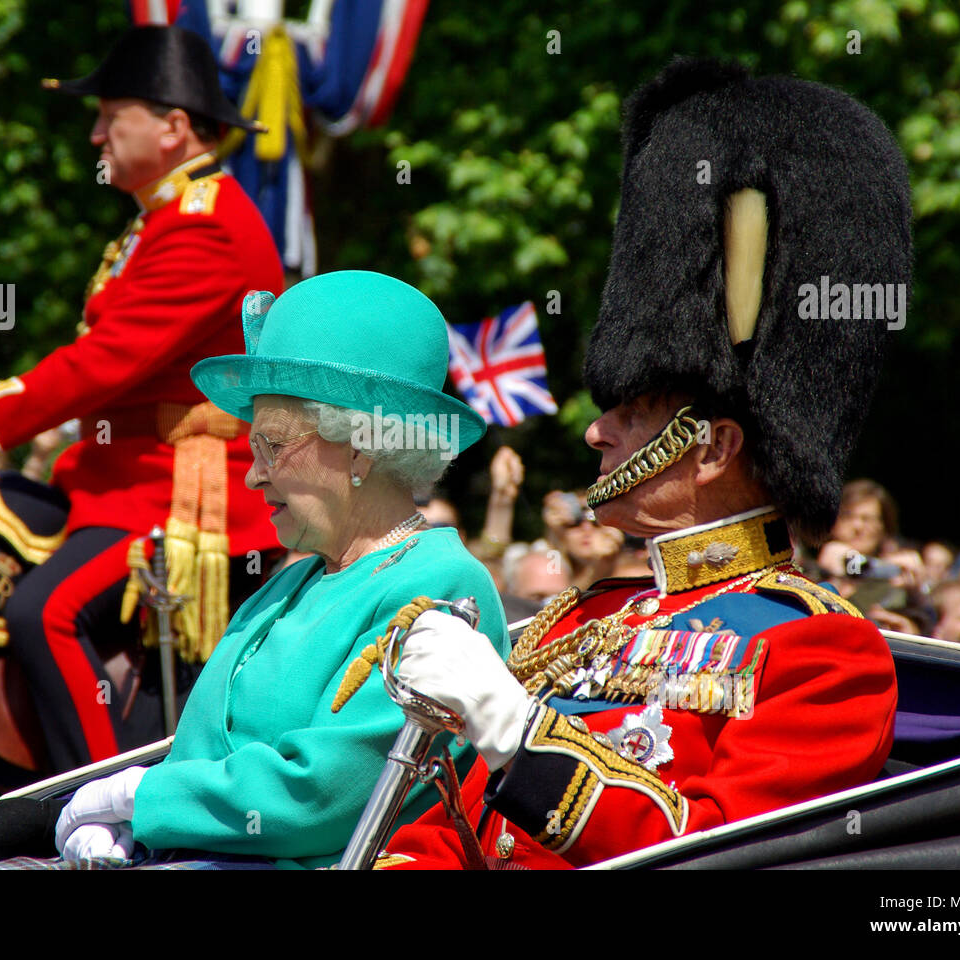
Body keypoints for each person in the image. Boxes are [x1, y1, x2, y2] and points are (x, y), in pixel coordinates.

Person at [376, 60, 905, 868]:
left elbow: (710, 852)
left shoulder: (821, 654)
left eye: (632, 414)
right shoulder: (577, 621)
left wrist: (520, 737)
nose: (597, 434)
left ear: (715, 447)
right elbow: (450, 829)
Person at [0, 271, 508, 869]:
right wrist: (132, 831)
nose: (253, 475)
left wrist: (135, 799)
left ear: (362, 446)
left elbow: (319, 796)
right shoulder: (287, 585)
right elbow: (200, 754)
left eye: (275, 446)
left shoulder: (439, 584)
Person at [0, 26, 285, 772]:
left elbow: (99, 364)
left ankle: (95, 807)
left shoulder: (205, 228)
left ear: (173, 126)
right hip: (120, 479)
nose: (95, 134)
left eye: (109, 115)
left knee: (46, 613)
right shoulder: (163, 216)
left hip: (185, 495)